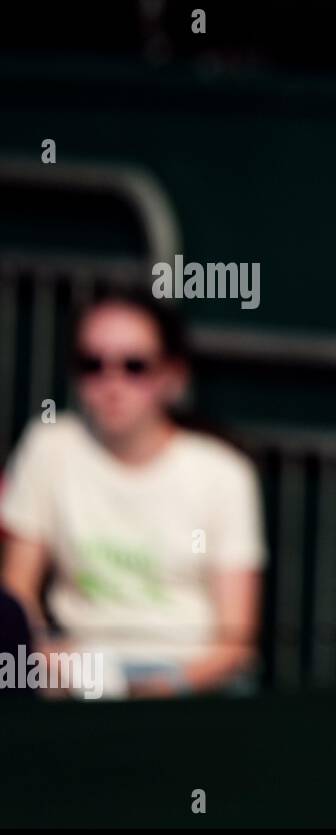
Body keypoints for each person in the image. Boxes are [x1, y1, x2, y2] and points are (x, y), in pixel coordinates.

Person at [0, 288, 266, 700]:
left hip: (188, 678)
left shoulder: (223, 473)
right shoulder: (48, 447)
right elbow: (18, 591)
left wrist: (160, 687)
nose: (112, 382)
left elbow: (235, 643)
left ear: (172, 376)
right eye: (93, 364)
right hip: (74, 666)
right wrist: (46, 661)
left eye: (134, 366)